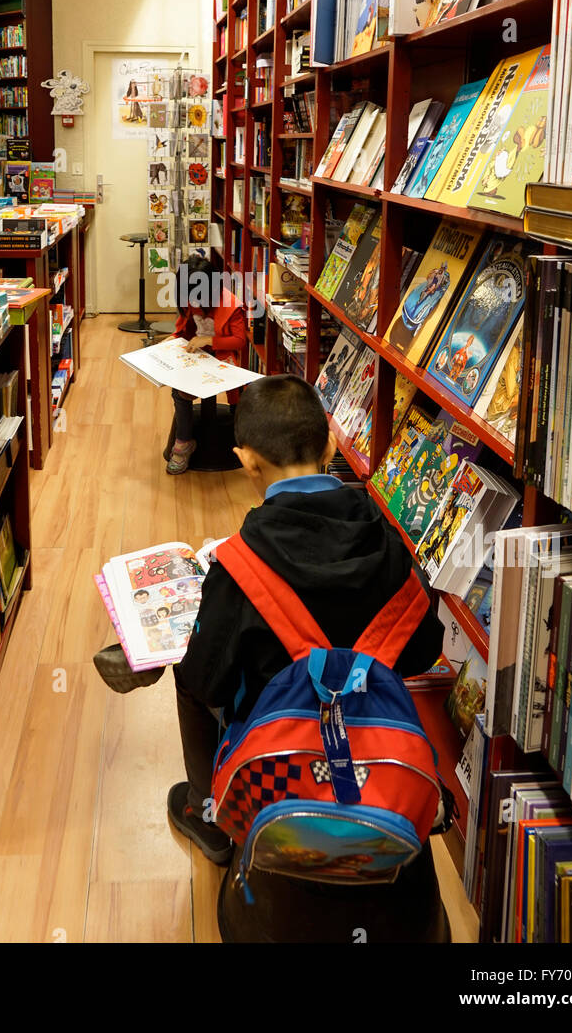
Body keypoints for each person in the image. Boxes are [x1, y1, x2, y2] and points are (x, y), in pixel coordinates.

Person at [167, 374, 450, 943]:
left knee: (185, 675)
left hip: (281, 771)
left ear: (247, 462)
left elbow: (205, 677)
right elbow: (424, 649)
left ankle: (211, 821)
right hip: (383, 769)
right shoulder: (390, 545)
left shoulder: (238, 567)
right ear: (330, 447)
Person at [165, 257, 247, 475]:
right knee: (179, 390)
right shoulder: (188, 299)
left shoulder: (230, 305)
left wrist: (209, 341)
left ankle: (242, 441)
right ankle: (184, 441)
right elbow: (185, 330)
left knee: (229, 397)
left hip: (222, 355)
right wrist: (172, 339)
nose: (192, 302)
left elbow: (239, 341)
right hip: (196, 354)